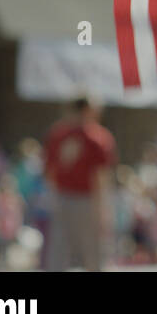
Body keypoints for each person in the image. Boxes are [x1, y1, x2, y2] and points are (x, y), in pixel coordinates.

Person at [43, 95, 115, 271]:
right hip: (88, 199)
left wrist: (53, 197)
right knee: (93, 250)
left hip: (62, 197)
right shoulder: (97, 137)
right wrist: (103, 208)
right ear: (89, 109)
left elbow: (49, 172)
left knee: (59, 249)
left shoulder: (57, 133)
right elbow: (100, 176)